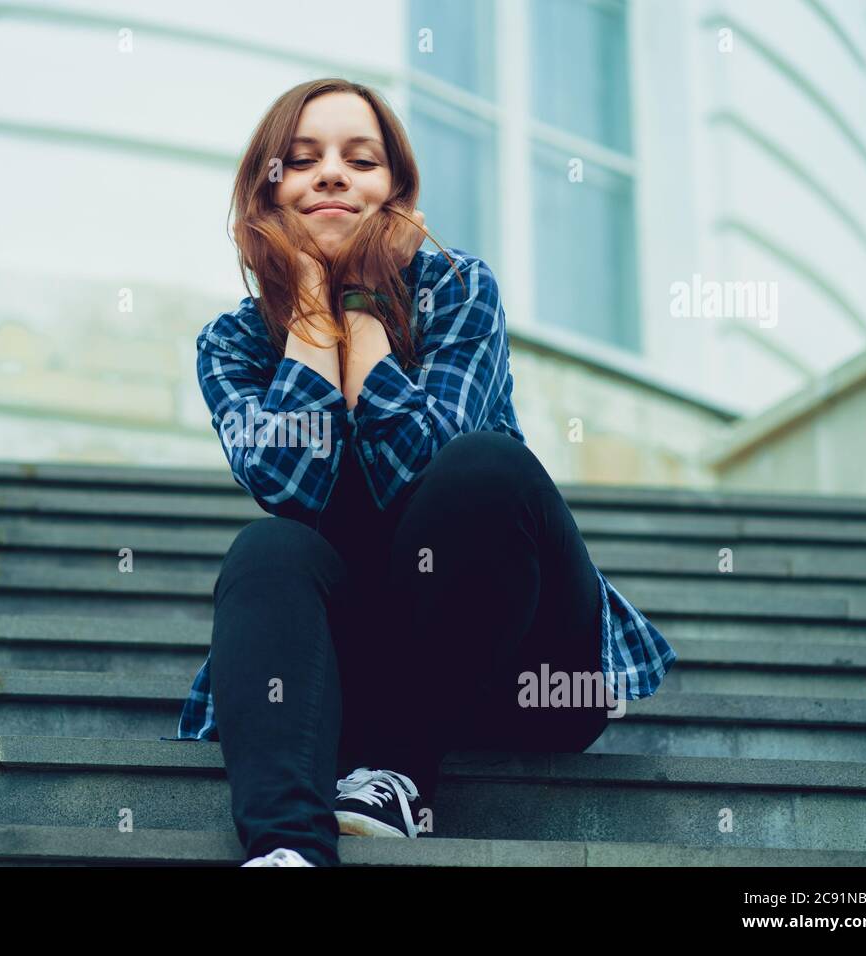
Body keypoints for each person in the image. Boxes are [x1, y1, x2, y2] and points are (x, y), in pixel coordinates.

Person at [160, 78, 678, 868]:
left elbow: (420, 473)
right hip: (356, 678)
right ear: (265, 193)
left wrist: (362, 303)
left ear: (397, 195)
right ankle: (288, 851)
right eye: (301, 161)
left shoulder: (459, 290)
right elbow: (288, 485)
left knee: (483, 468)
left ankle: (399, 771)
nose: (331, 174)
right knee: (267, 552)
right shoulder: (232, 343)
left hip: (522, 662)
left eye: (359, 160)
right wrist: (308, 305)